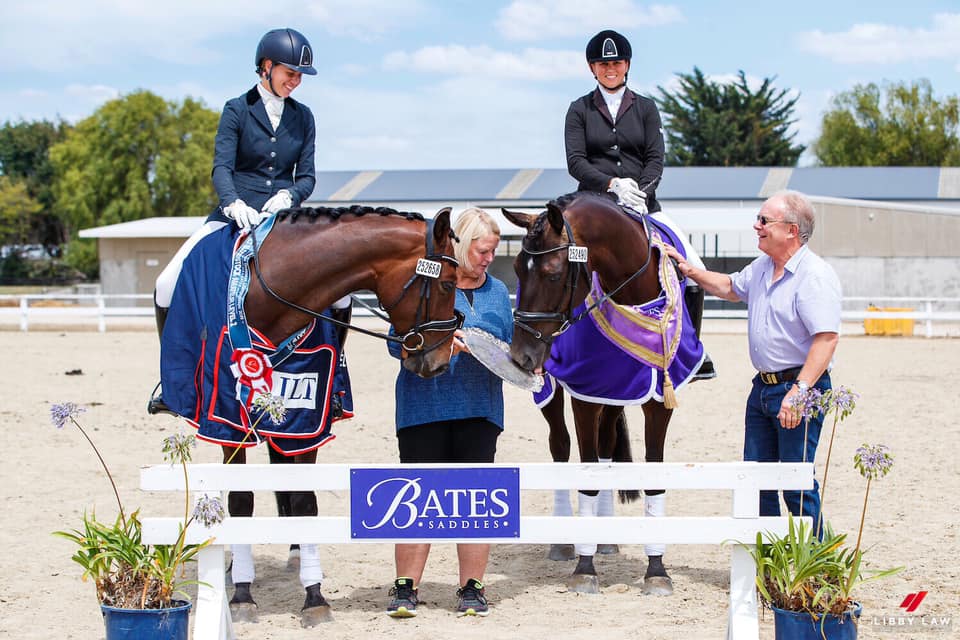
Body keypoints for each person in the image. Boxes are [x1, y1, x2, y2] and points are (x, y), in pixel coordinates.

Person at [664, 190, 841, 527]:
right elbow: (731, 287)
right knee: (757, 482)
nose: (756, 225)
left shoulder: (815, 276)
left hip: (800, 389)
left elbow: (827, 339)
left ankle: (812, 558)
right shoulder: (762, 267)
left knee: (795, 484)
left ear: (791, 230)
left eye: (764, 220)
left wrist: (800, 391)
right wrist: (689, 271)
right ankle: (768, 557)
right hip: (762, 389)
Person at [384, 208, 513, 619]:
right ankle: (405, 588)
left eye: (492, 251)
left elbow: (511, 348)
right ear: (461, 245)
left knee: (476, 502)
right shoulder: (426, 282)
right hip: (423, 408)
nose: (489, 259)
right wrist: (439, 345)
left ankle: (472, 589)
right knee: (417, 498)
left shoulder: (498, 292)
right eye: (482, 251)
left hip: (481, 409)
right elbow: (395, 344)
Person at [564, 28, 714, 379]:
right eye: (603, 64)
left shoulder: (646, 108)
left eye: (616, 63)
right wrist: (611, 185)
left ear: (627, 65)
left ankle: (690, 351)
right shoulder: (579, 109)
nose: (610, 69)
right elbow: (576, 161)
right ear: (592, 68)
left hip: (644, 205)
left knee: (693, 268)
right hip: (595, 206)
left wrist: (641, 193)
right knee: (557, 259)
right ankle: (554, 344)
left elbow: (655, 159)